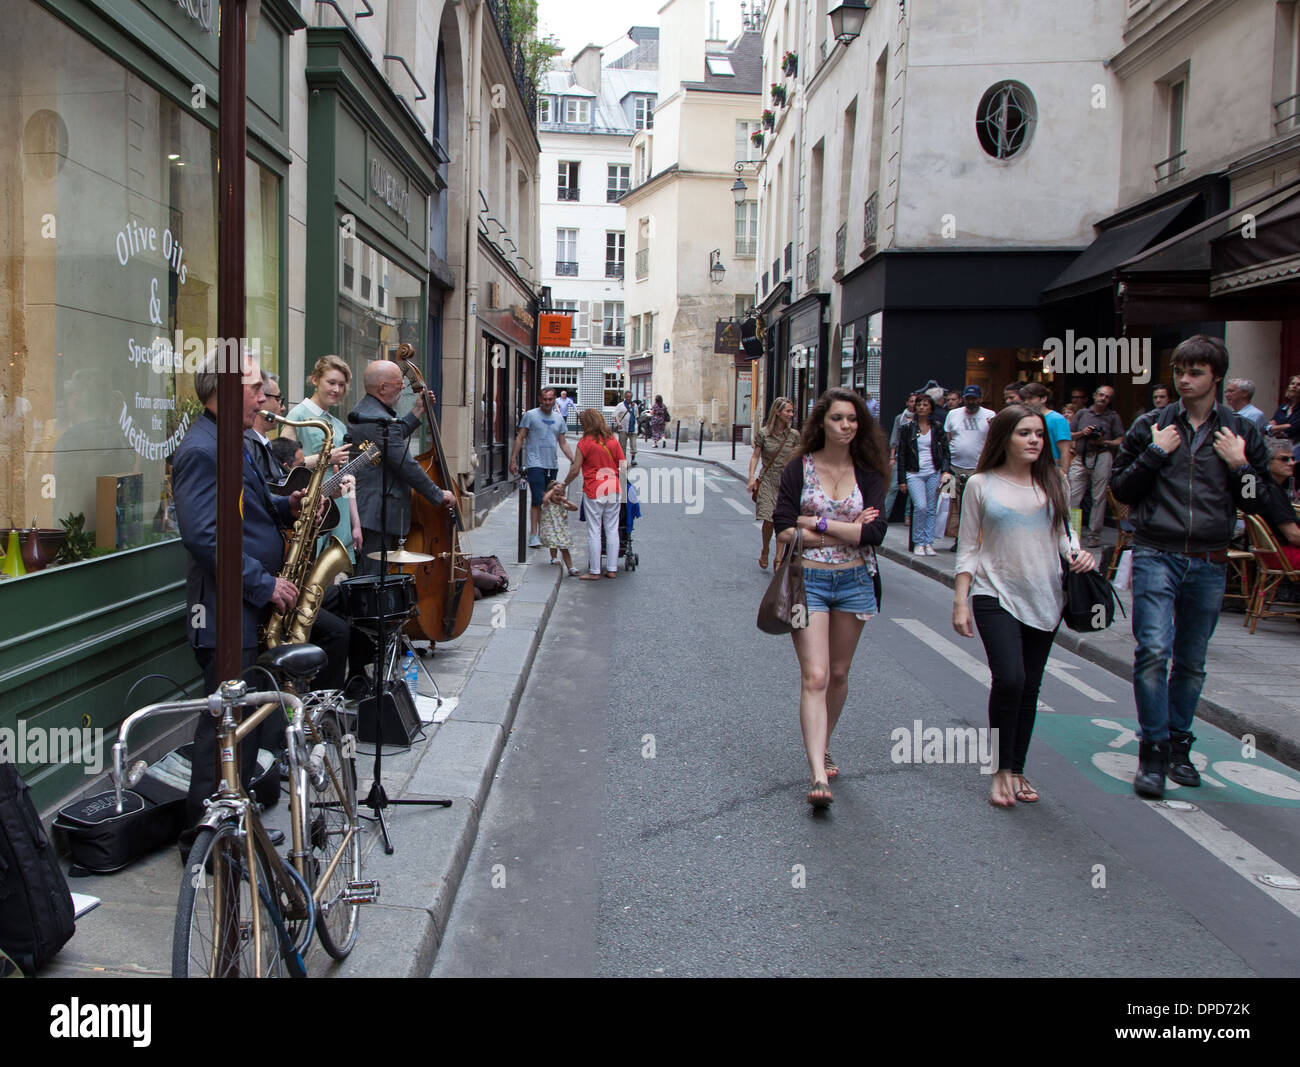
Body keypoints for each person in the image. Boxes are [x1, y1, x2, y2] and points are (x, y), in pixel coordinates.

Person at [172, 349, 350, 825]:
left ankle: (233, 825)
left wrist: (286, 504)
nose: (264, 398)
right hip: (229, 612)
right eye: (255, 389)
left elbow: (244, 508)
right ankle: (202, 834)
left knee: (246, 723)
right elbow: (204, 536)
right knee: (225, 728)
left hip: (246, 608)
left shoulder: (232, 440)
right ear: (225, 391)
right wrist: (263, 584)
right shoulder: (201, 449)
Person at [1111, 335, 1269, 799]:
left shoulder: (1240, 431)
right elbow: (1122, 490)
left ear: (1216, 377)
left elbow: (1256, 501)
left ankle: (1180, 745)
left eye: (1195, 371)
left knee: (1192, 663)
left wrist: (1240, 466)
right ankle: (1153, 751)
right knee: (1153, 650)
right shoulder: (1151, 424)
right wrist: (1155, 452)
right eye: (1179, 370)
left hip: (1209, 558)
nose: (1184, 379)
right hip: (1156, 551)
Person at [953, 405, 1096, 808]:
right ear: (1004, 438)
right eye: (1024, 433)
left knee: (1030, 687)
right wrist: (960, 600)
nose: (1034, 440)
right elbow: (967, 548)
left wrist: (1079, 555)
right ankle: (999, 769)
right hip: (993, 592)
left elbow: (1065, 536)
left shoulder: (1056, 481)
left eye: (1038, 433)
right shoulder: (980, 484)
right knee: (1011, 679)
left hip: (1046, 594)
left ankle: (1017, 767)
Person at [772, 387, 888, 809]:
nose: (846, 425)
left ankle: (823, 744)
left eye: (853, 419)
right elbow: (783, 525)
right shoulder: (799, 469)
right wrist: (843, 527)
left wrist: (815, 522)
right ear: (822, 422)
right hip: (810, 582)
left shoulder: (869, 473)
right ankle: (818, 775)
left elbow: (874, 534)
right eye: (838, 418)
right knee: (816, 676)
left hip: (856, 580)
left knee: (838, 675)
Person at [349, 360, 456, 575]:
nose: (402, 388)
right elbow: (403, 463)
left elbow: (391, 440)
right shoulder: (376, 417)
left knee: (375, 577)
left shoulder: (373, 411)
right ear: (382, 388)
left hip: (377, 510)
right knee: (371, 580)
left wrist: (417, 411)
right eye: (399, 384)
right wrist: (438, 494)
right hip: (377, 511)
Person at [282, 355, 361, 562]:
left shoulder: (338, 424)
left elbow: (348, 478)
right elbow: (283, 465)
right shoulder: (297, 415)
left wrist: (356, 524)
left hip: (340, 512)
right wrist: (325, 458)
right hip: (313, 510)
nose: (337, 389)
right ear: (315, 380)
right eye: (331, 382)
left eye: (342, 385)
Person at [509, 387, 576, 548]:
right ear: (540, 399)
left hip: (552, 464)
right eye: (545, 399)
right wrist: (513, 460)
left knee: (550, 500)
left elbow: (563, 442)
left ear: (554, 400)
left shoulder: (559, 419)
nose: (547, 402)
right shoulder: (530, 415)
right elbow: (520, 438)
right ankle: (533, 534)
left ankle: (543, 532)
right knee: (538, 499)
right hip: (535, 463)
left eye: (550, 399)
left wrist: (573, 459)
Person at [564, 407, 626, 579]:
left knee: (594, 531)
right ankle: (612, 569)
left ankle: (595, 572)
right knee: (612, 529)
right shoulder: (613, 441)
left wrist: (564, 483)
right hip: (613, 488)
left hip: (594, 489)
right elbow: (623, 466)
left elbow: (575, 470)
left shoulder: (584, 444)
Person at [1068, 384, 1125, 548]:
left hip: (1102, 455)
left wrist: (1104, 441)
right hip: (1081, 456)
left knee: (1098, 497)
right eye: (1101, 395)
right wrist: (1082, 433)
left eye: (1107, 397)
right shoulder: (1082, 413)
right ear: (1094, 395)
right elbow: (1069, 433)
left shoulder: (1113, 416)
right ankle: (1071, 533)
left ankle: (1094, 534)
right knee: (1073, 494)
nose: (1103, 399)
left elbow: (1120, 440)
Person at [748, 396, 800, 569]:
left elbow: (801, 459)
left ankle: (778, 559)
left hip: (786, 483)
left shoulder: (793, 436)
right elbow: (755, 456)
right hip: (768, 479)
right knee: (768, 520)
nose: (791, 414)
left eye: (792, 411)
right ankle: (765, 550)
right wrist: (751, 478)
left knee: (782, 521)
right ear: (777, 412)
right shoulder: (764, 433)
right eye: (788, 411)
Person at [943, 385, 996, 550]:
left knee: (974, 505)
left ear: (980, 399)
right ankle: (957, 538)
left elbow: (994, 440)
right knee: (950, 504)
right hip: (953, 468)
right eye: (967, 398)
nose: (970, 402)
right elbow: (947, 439)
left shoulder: (990, 415)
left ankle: (974, 539)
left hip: (978, 469)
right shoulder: (952, 414)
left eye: (973, 398)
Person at [897, 393, 950, 556]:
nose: (921, 407)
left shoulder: (937, 427)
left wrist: (945, 471)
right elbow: (903, 454)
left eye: (925, 405)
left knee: (932, 508)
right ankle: (918, 542)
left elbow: (946, 450)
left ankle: (928, 542)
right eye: (919, 404)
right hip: (914, 473)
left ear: (931, 408)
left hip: (933, 472)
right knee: (921, 507)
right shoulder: (907, 428)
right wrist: (902, 480)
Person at [1258, 438, 1300, 571]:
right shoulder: (1271, 491)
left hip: (1272, 552)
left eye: (1292, 458)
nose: (1291, 463)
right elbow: (1293, 535)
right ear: (1267, 461)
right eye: (1284, 459)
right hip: (1282, 555)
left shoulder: (1264, 486)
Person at [1018, 382, 1072, 474]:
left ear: (1043, 398)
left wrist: (1064, 474)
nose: (1026, 402)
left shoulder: (1057, 419)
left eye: (1030, 398)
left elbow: (1065, 450)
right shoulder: (1026, 418)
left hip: (1051, 467)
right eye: (1024, 399)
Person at [245, 372, 286, 483]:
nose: (283, 408)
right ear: (261, 399)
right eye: (278, 399)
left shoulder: (264, 443)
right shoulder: (247, 443)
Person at [885, 392, 918, 521]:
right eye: (911, 401)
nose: (913, 404)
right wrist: (892, 457)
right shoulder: (900, 418)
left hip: (915, 457)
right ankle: (884, 515)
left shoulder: (921, 419)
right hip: (900, 455)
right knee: (893, 487)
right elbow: (894, 438)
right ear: (907, 403)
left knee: (913, 489)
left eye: (916, 401)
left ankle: (908, 515)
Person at [539, 479, 579, 575]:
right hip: (551, 529)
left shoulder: (562, 505)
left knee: (564, 549)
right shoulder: (547, 504)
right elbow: (544, 499)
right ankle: (554, 557)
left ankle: (571, 568)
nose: (559, 497)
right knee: (553, 544)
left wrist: (567, 501)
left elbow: (575, 508)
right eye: (557, 494)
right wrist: (554, 489)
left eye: (561, 494)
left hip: (561, 531)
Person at [1266, 374, 1300, 443]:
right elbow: (1267, 427)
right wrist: (1283, 426)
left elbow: (1293, 429)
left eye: (1298, 385)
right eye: (1292, 384)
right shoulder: (1282, 408)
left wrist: (1275, 429)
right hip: (1277, 448)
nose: (1294, 386)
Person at [613, 390, 639, 467]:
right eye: (627, 397)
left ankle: (633, 459)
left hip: (633, 428)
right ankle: (623, 460)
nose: (628, 398)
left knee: (633, 444)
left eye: (630, 397)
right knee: (622, 446)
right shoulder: (620, 405)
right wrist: (618, 423)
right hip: (623, 428)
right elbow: (615, 416)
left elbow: (636, 416)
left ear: (631, 397)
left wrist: (637, 426)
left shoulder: (634, 405)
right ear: (625, 397)